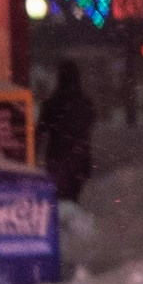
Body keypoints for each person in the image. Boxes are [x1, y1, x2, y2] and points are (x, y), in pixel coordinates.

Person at [43, 54, 99, 203]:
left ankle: (63, 220)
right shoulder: (85, 103)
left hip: (57, 156)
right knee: (74, 194)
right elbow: (89, 123)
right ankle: (72, 217)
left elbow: (42, 127)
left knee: (59, 195)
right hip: (79, 157)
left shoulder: (53, 103)